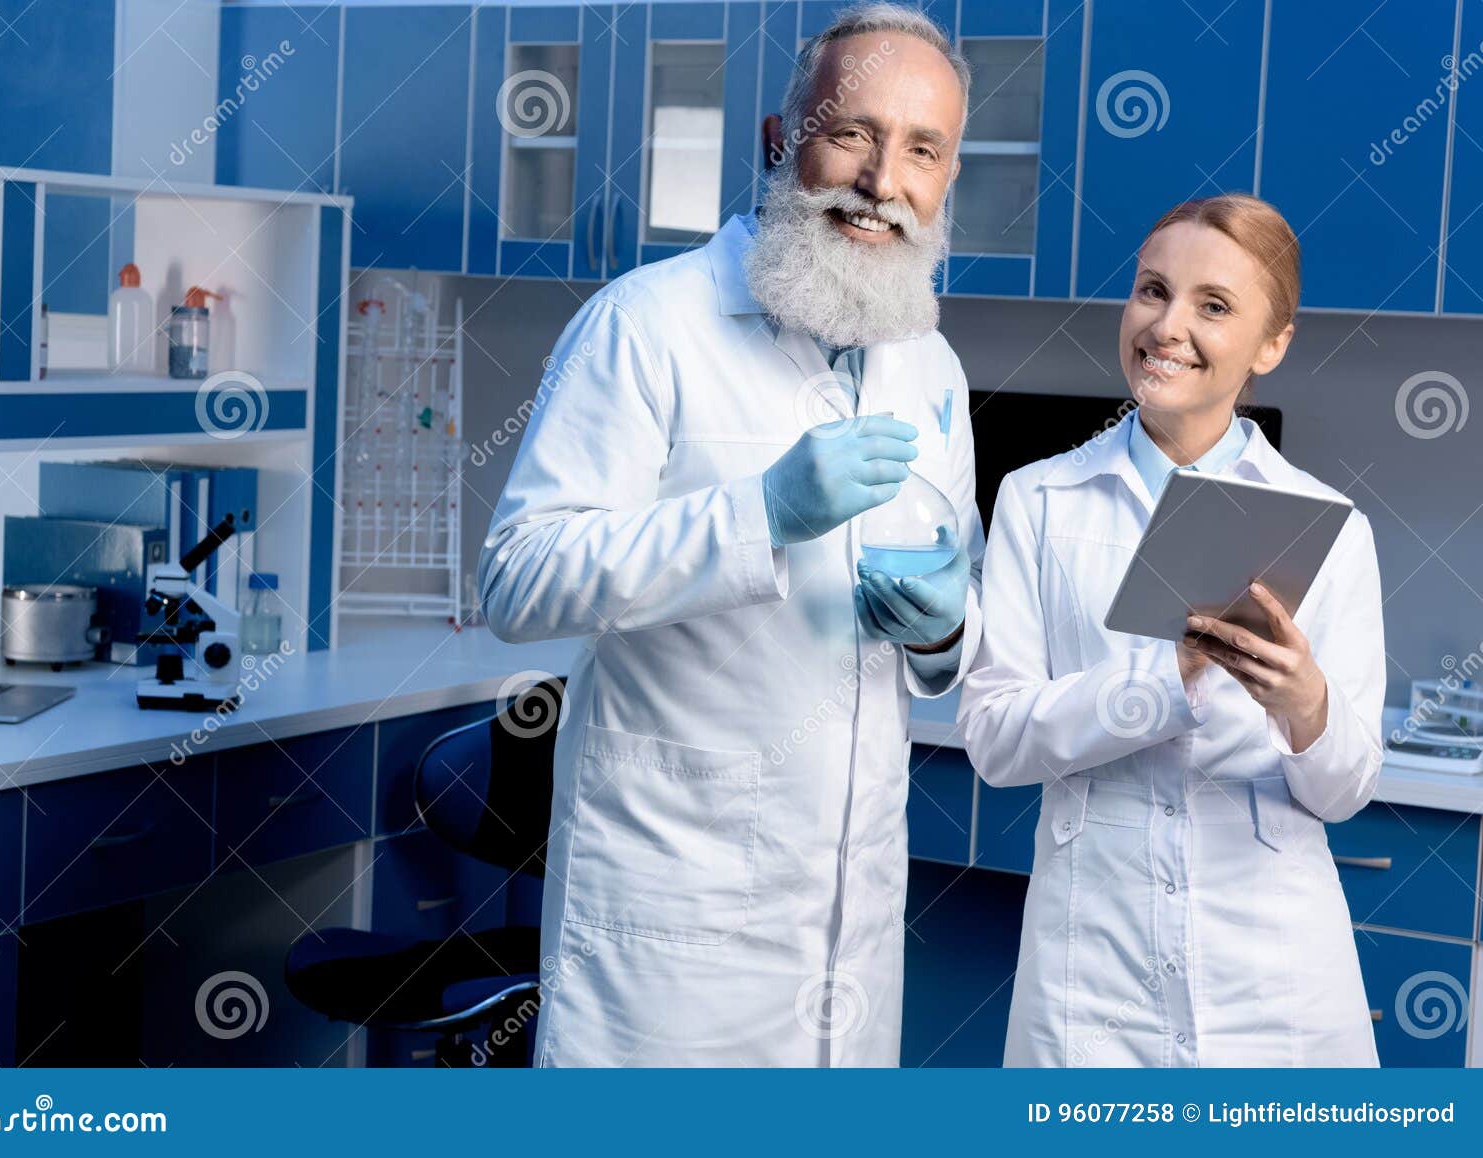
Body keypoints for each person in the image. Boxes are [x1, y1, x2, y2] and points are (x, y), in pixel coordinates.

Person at [479, 2, 983, 1066]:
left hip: (848, 929)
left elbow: (948, 599)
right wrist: (755, 517)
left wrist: (944, 634)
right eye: (852, 133)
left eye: (922, 151)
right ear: (778, 140)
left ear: (944, 181)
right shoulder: (646, 324)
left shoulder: (928, 365)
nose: (882, 181)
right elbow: (518, 581)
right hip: (674, 931)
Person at [957, 193, 1385, 1067]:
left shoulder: (1324, 523)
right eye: (1153, 290)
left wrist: (1306, 704)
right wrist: (1166, 681)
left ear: (1273, 344)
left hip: (1273, 981)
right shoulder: (1037, 500)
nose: (1167, 325)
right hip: (1093, 972)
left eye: (1214, 306)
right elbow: (995, 742)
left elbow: (1344, 792)